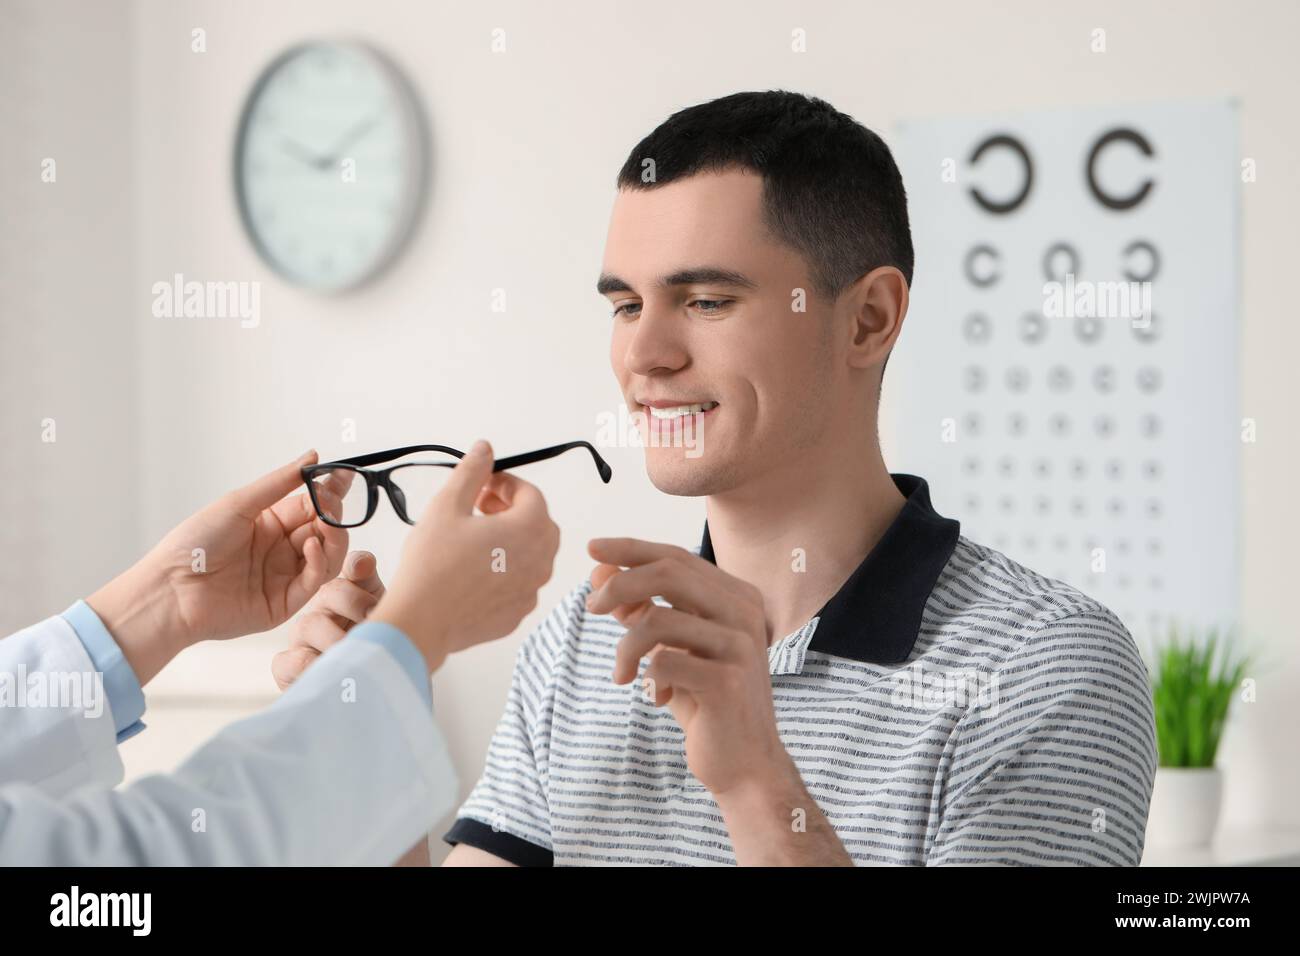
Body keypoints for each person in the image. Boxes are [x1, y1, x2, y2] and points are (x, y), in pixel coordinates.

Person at [279, 91, 1157, 867]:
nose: (644, 356)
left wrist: (754, 783)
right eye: (626, 305)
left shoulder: (1049, 667)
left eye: (706, 301)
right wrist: (365, 747)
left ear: (869, 319)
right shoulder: (584, 647)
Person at [0, 440, 559, 865]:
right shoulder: (563, 669)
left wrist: (172, 596)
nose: (638, 353)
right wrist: (406, 645)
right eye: (626, 308)